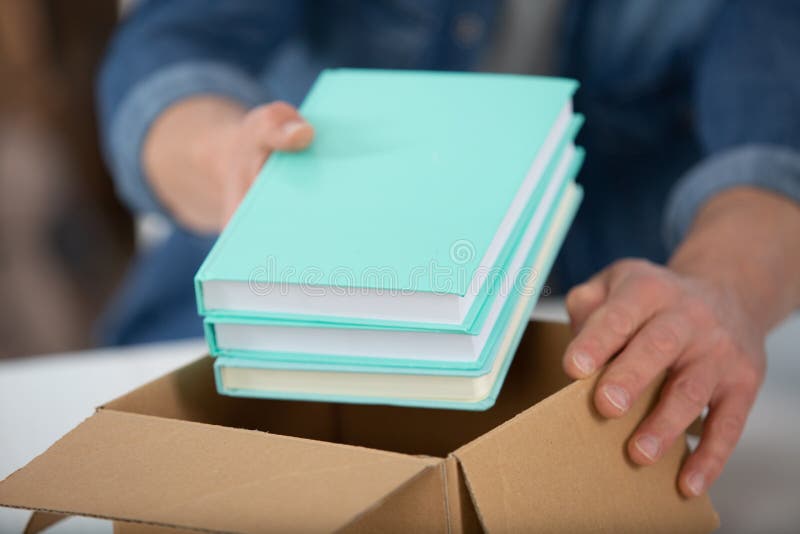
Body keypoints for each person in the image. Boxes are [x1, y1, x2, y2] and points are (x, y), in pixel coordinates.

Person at [96, 0, 800, 500]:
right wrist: (226, 157)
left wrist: (723, 287)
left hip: (590, 331)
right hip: (271, 303)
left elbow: (774, 146)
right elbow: (169, 53)